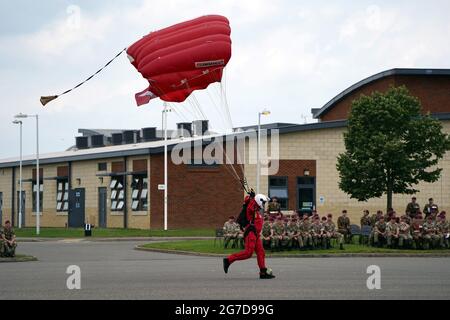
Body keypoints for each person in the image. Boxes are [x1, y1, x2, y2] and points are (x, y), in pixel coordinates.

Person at [223, 193, 275, 279]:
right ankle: (228, 260)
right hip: (251, 233)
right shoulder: (252, 207)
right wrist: (252, 198)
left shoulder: (257, 209)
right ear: (258, 202)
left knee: (261, 252)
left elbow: (250, 201)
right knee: (248, 253)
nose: (264, 204)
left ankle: (263, 272)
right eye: (264, 202)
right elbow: (248, 203)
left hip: (256, 234)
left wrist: (252, 197)